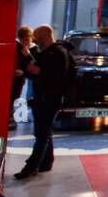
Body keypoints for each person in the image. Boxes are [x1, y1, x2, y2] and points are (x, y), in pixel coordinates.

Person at [15, 25, 72, 180]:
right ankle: (46, 162)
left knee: (41, 134)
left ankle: (31, 166)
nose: (35, 41)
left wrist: (26, 58)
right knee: (45, 132)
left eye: (38, 37)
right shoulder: (58, 51)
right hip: (48, 97)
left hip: (48, 98)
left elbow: (37, 71)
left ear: (46, 36)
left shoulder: (54, 53)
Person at [11, 26, 36, 131]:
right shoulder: (18, 47)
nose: (26, 41)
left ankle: (13, 118)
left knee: (15, 98)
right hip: (16, 78)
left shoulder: (30, 48)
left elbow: (31, 62)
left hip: (20, 78)